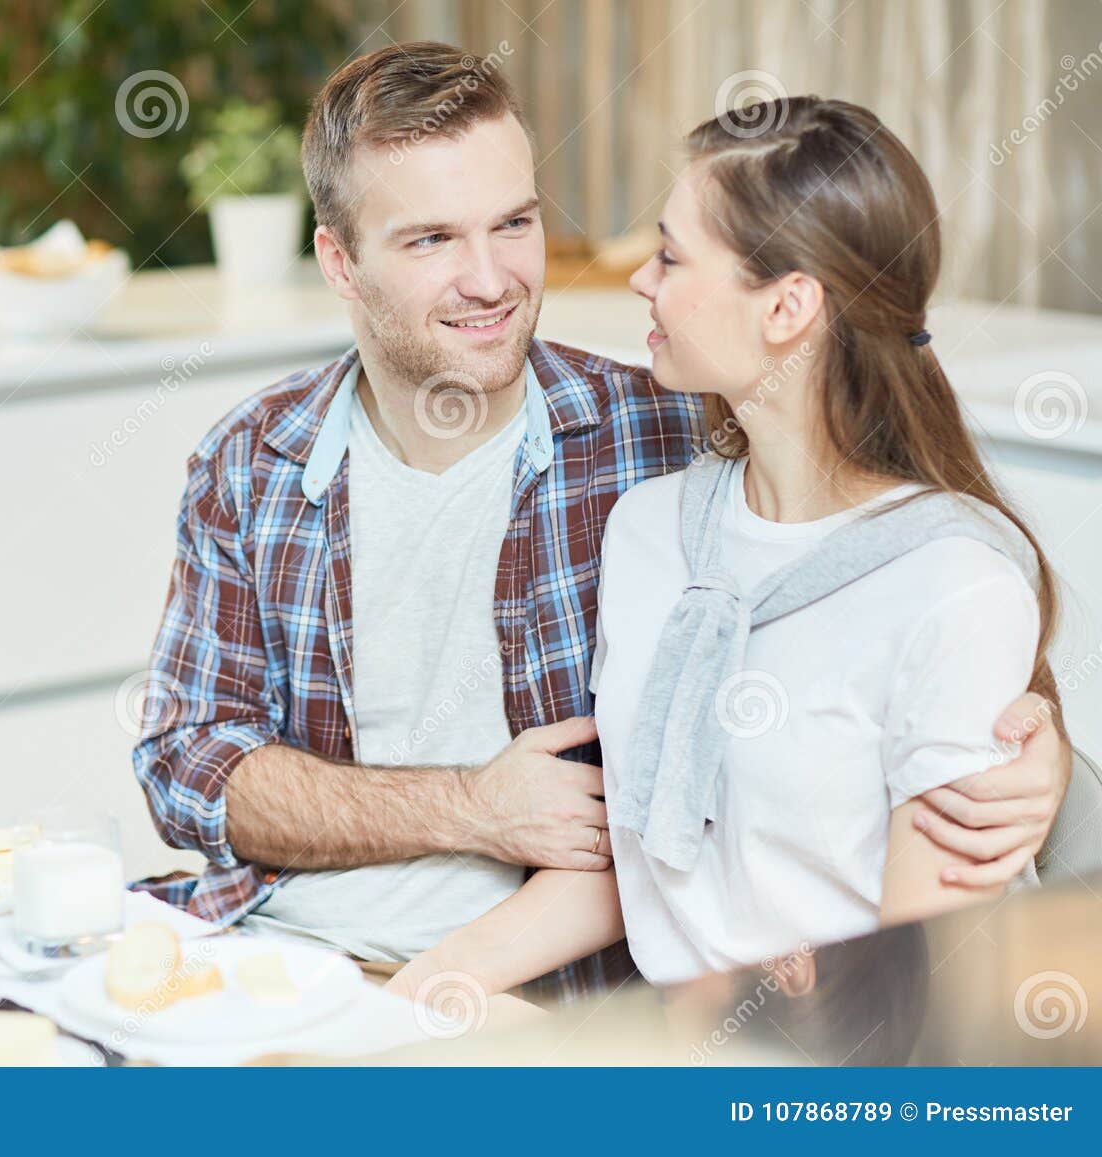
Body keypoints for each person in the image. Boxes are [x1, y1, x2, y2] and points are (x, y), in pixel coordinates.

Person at [131, 45, 1070, 1002]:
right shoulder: (254, 461)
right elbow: (183, 762)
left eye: (516, 223)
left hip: (573, 1002)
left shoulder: (662, 434)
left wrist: (1045, 752)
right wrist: (468, 812)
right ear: (339, 262)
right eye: (431, 241)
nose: (490, 279)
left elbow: (907, 577)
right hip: (283, 949)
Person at [387, 95, 1065, 1001]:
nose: (640, 279)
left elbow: (927, 1000)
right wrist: (421, 994)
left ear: (788, 306)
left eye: (670, 255)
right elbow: (648, 857)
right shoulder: (650, 530)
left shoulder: (951, 584)